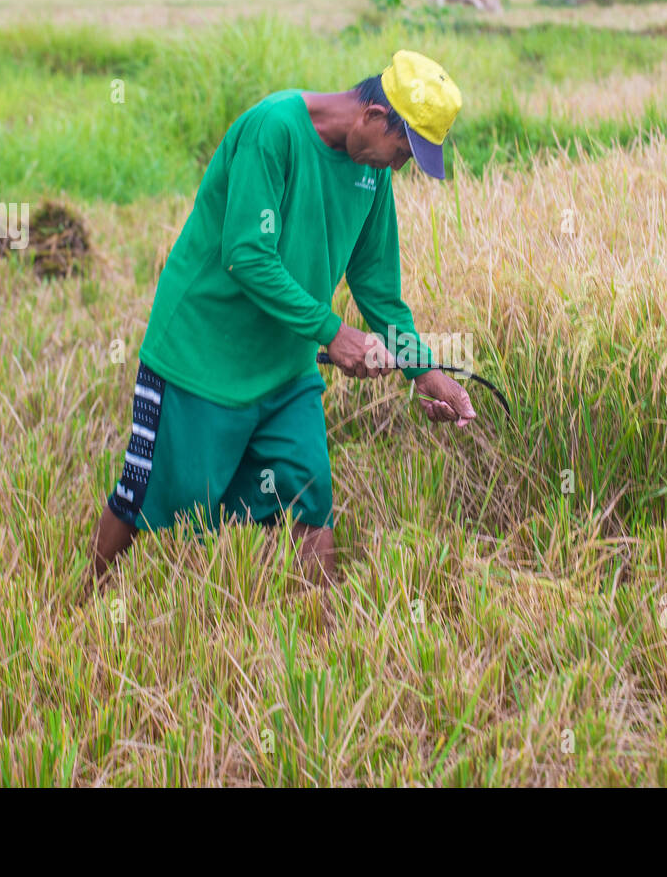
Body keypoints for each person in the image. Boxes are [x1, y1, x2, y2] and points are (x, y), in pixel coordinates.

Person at [91, 50, 477, 588]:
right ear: (371, 117)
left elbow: (379, 290)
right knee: (153, 492)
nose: (398, 168)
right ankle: (82, 596)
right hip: (201, 351)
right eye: (402, 151)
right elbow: (246, 254)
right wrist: (334, 334)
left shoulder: (371, 178)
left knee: (309, 492)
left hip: (286, 366)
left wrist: (426, 372)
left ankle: (317, 645)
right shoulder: (273, 130)